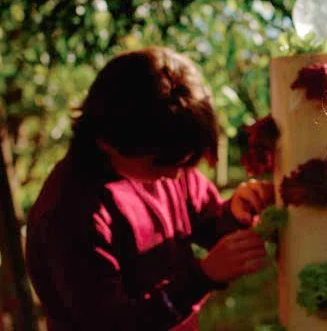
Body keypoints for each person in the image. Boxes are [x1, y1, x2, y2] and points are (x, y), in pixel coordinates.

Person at [25, 47, 275, 330]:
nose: (177, 176)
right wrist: (202, 277)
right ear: (108, 141)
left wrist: (236, 212)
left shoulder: (166, 159)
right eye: (164, 165)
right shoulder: (69, 216)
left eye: (186, 163)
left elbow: (209, 222)